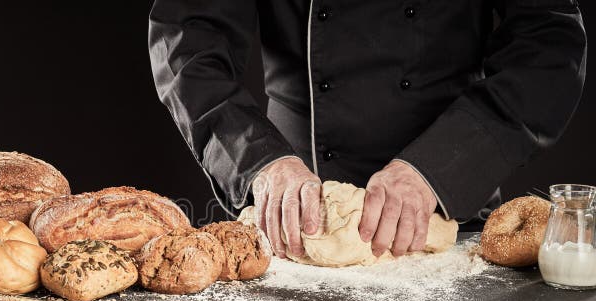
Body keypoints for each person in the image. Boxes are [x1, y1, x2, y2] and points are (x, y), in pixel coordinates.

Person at [148, 1, 586, 259]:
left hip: (451, 208)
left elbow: (549, 42)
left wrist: (439, 168)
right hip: (293, 221)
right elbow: (186, 38)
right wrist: (258, 160)